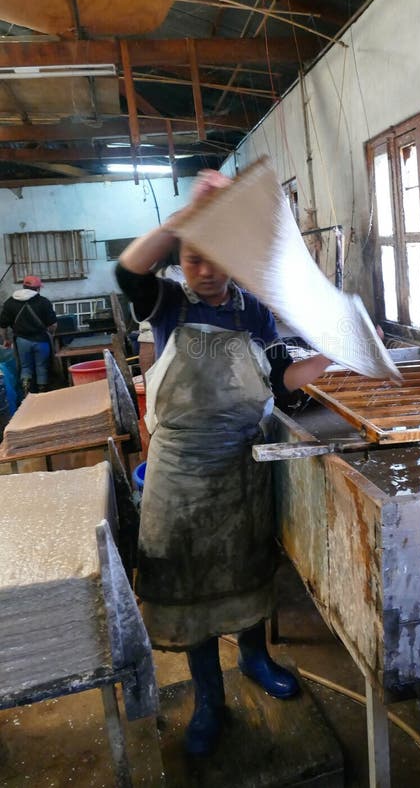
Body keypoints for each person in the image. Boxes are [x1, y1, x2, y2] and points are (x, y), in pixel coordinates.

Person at [116, 170, 331, 757]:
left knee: (243, 572)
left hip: (239, 468)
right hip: (179, 476)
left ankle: (257, 659)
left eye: (215, 258)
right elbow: (127, 270)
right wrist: (186, 216)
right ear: (180, 257)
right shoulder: (164, 303)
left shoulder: (253, 313)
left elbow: (281, 384)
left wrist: (335, 357)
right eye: (191, 257)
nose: (204, 270)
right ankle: (210, 697)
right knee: (191, 587)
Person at [0, 275, 57, 394]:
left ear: (23, 286)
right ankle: (42, 393)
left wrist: (5, 340)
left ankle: (27, 392)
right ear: (38, 288)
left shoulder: (10, 302)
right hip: (41, 340)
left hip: (22, 341)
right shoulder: (43, 302)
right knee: (41, 366)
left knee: (25, 367)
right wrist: (51, 334)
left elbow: (3, 326)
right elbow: (53, 325)